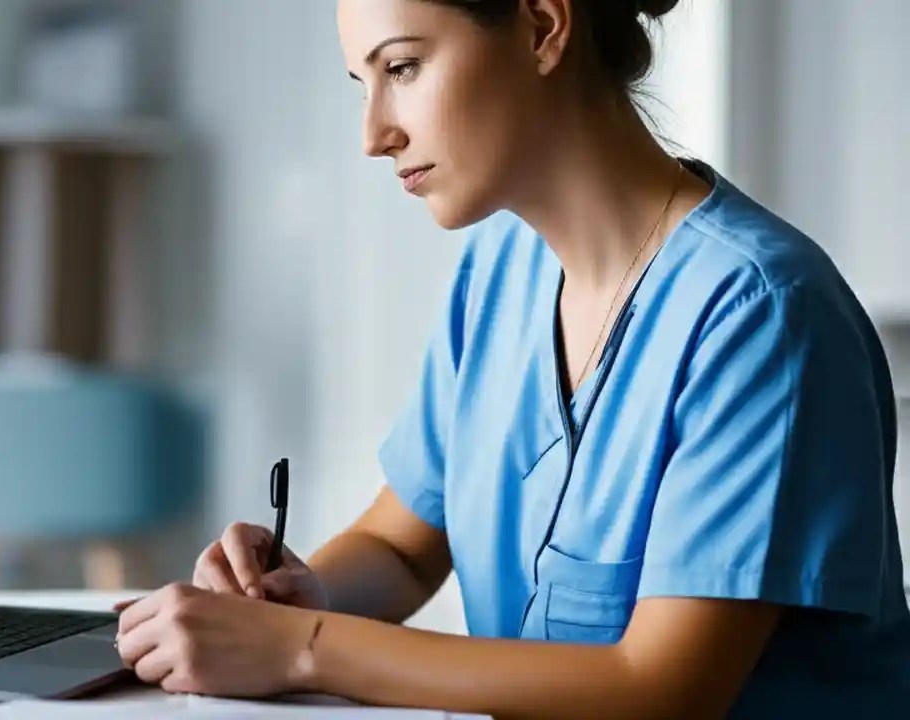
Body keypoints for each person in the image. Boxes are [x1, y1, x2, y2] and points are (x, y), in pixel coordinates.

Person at [113, 1, 910, 716]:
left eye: (403, 67)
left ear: (541, 28)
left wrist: (302, 648)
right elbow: (399, 546)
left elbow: (665, 689)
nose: (374, 133)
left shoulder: (762, 312)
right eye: (364, 82)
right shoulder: (499, 273)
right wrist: (292, 598)